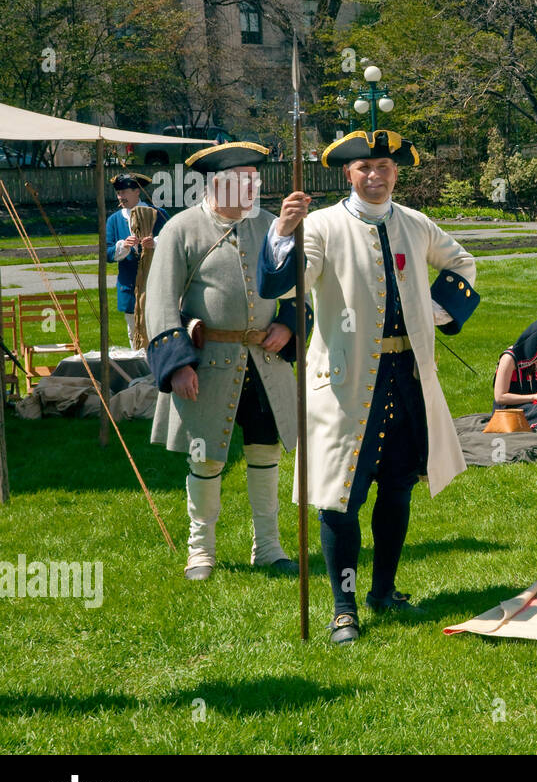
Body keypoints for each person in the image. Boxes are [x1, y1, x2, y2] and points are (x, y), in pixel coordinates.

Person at [259, 128, 478, 646]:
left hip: (406, 378)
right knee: (339, 497)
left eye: (384, 167)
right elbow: (288, 283)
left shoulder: (416, 224)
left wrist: (435, 312)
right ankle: (343, 608)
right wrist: (283, 235)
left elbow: (462, 264)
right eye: (365, 169)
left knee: (398, 484)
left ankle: (383, 591)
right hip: (344, 382)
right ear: (348, 174)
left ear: (396, 173)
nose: (375, 176)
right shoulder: (322, 226)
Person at [145, 142, 305, 581]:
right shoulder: (181, 229)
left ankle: (269, 547)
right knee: (206, 459)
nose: (252, 187)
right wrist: (177, 364)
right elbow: (158, 302)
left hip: (266, 363)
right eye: (243, 181)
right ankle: (201, 551)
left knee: (266, 451)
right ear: (218, 183)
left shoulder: (272, 225)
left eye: (255, 180)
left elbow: (299, 285)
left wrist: (289, 325)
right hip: (207, 363)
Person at [105, 171, 168, 346]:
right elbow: (108, 253)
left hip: (155, 283)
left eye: (124, 192)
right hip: (129, 285)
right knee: (133, 332)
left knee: (157, 329)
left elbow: (173, 240)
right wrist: (123, 246)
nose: (120, 197)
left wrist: (154, 243)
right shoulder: (114, 220)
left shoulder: (157, 213)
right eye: (118, 193)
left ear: (137, 191)